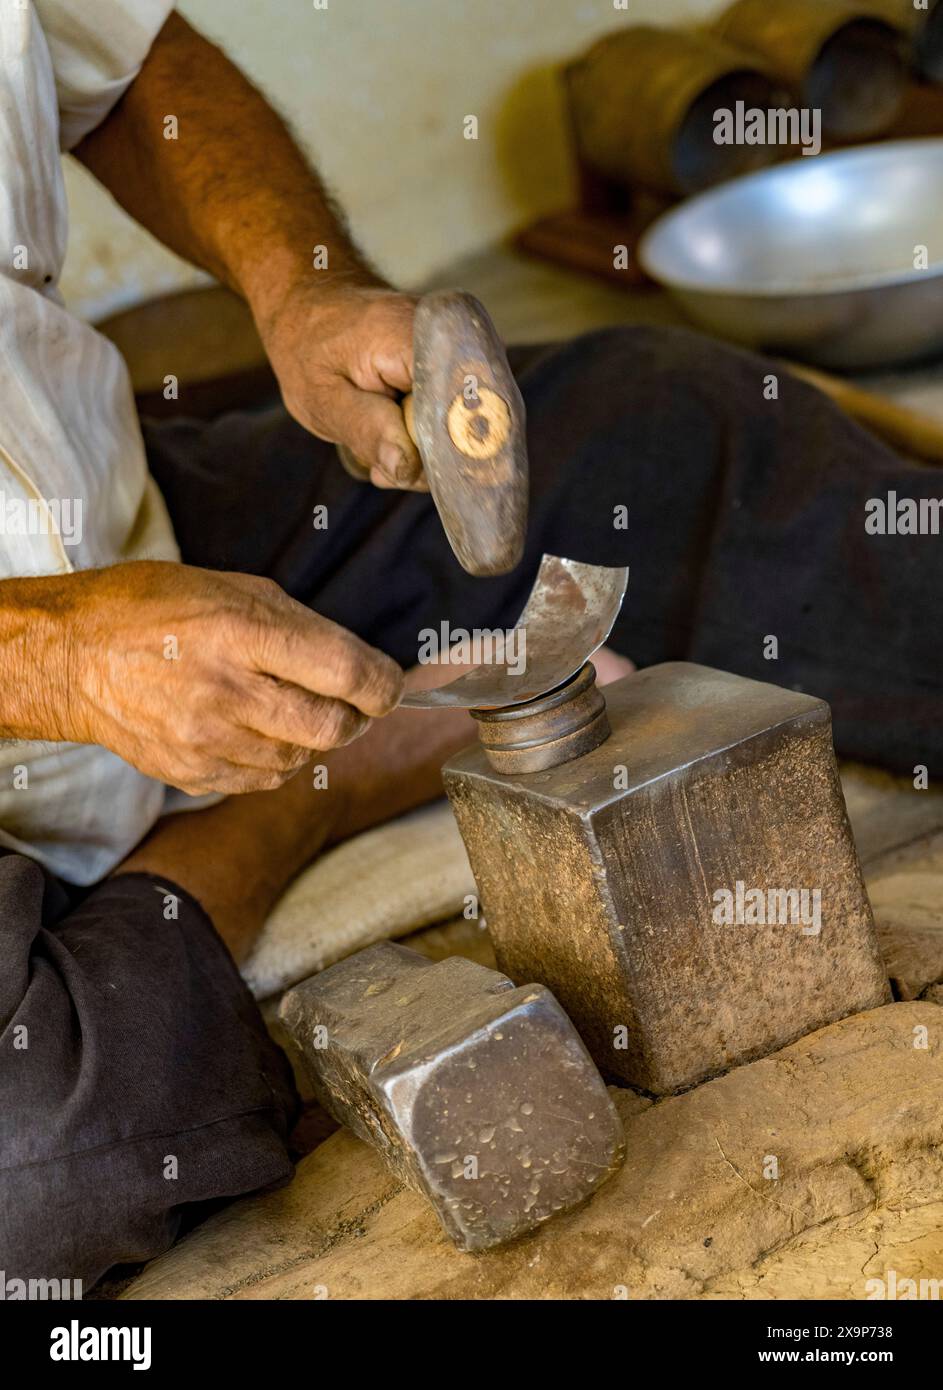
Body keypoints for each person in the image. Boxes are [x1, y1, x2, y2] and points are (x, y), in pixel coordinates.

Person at [0, 5, 938, 1288]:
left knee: (659, 422)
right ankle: (330, 790)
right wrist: (47, 658)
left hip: (104, 514)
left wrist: (300, 280)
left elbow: (119, 65)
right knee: (34, 1160)